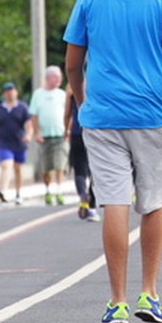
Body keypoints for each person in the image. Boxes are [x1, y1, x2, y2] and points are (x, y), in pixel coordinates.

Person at [64, 0, 162, 323]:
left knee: (114, 203)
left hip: (102, 117)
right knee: (155, 201)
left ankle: (116, 301)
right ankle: (149, 293)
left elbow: (73, 62)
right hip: (153, 116)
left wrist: (83, 101)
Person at [29, 65, 68, 206]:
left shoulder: (62, 94)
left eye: (60, 77)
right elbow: (33, 115)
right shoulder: (38, 95)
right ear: (48, 78)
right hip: (44, 136)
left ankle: (59, 191)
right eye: (56, 77)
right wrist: (36, 133)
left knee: (60, 164)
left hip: (60, 135)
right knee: (47, 167)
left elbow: (68, 114)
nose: (59, 79)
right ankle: (48, 190)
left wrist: (68, 130)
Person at [0, 82, 31, 204]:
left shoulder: (22, 108)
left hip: (19, 142)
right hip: (4, 143)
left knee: (18, 169)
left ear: (16, 92)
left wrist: (28, 135)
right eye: (7, 91)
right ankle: (3, 189)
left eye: (12, 90)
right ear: (4, 94)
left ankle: (18, 193)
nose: (10, 93)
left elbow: (28, 124)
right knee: (6, 165)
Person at [64, 84, 98, 222]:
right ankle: (92, 207)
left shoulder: (71, 87)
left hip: (77, 132)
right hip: (95, 131)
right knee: (96, 169)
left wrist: (65, 130)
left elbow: (67, 113)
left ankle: (83, 194)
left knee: (79, 169)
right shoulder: (98, 82)